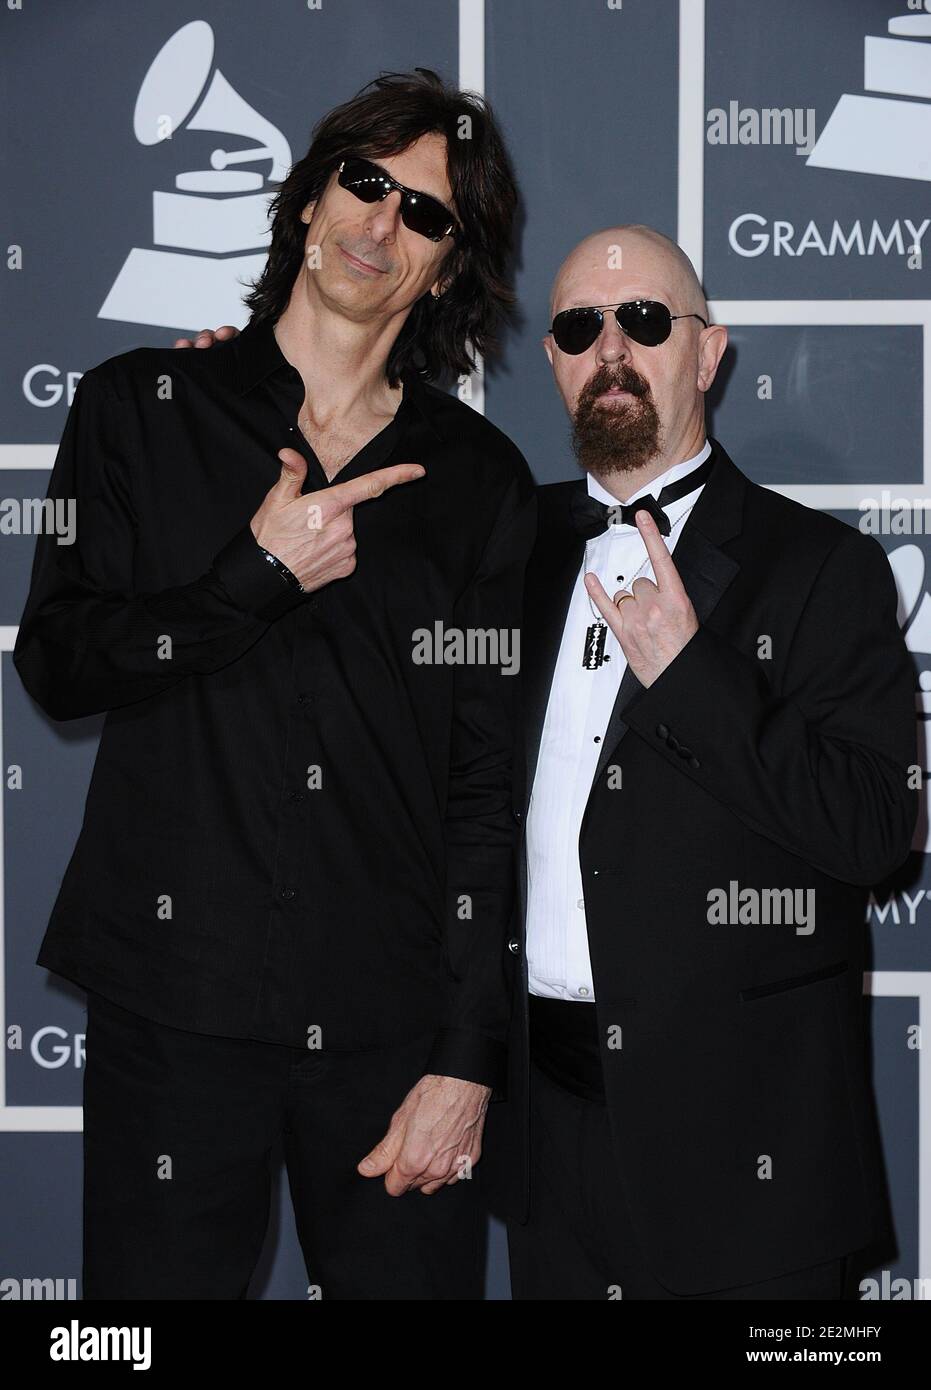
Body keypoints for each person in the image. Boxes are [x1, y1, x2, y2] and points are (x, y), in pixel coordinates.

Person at [14, 69, 535, 1300]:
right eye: (365, 183)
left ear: (448, 270)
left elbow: (483, 786)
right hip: (174, 1005)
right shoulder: (138, 408)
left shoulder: (481, 483)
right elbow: (62, 660)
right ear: (306, 201)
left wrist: (465, 1058)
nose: (381, 225)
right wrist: (250, 576)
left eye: (427, 214)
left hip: (393, 1032)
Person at [478, 224, 918, 1300]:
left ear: (708, 354)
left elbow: (872, 833)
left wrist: (691, 675)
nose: (611, 349)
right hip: (550, 1139)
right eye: (580, 327)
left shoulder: (822, 568)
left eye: (644, 321)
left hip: (748, 1159)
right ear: (552, 360)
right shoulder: (507, 549)